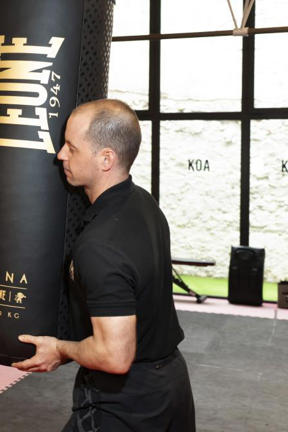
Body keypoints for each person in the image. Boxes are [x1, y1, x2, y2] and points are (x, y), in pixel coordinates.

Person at [11, 99, 195, 431]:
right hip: (170, 385)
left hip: (127, 401)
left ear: (106, 158)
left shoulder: (99, 245)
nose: (60, 156)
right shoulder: (143, 202)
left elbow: (114, 356)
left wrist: (60, 349)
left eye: (71, 147)